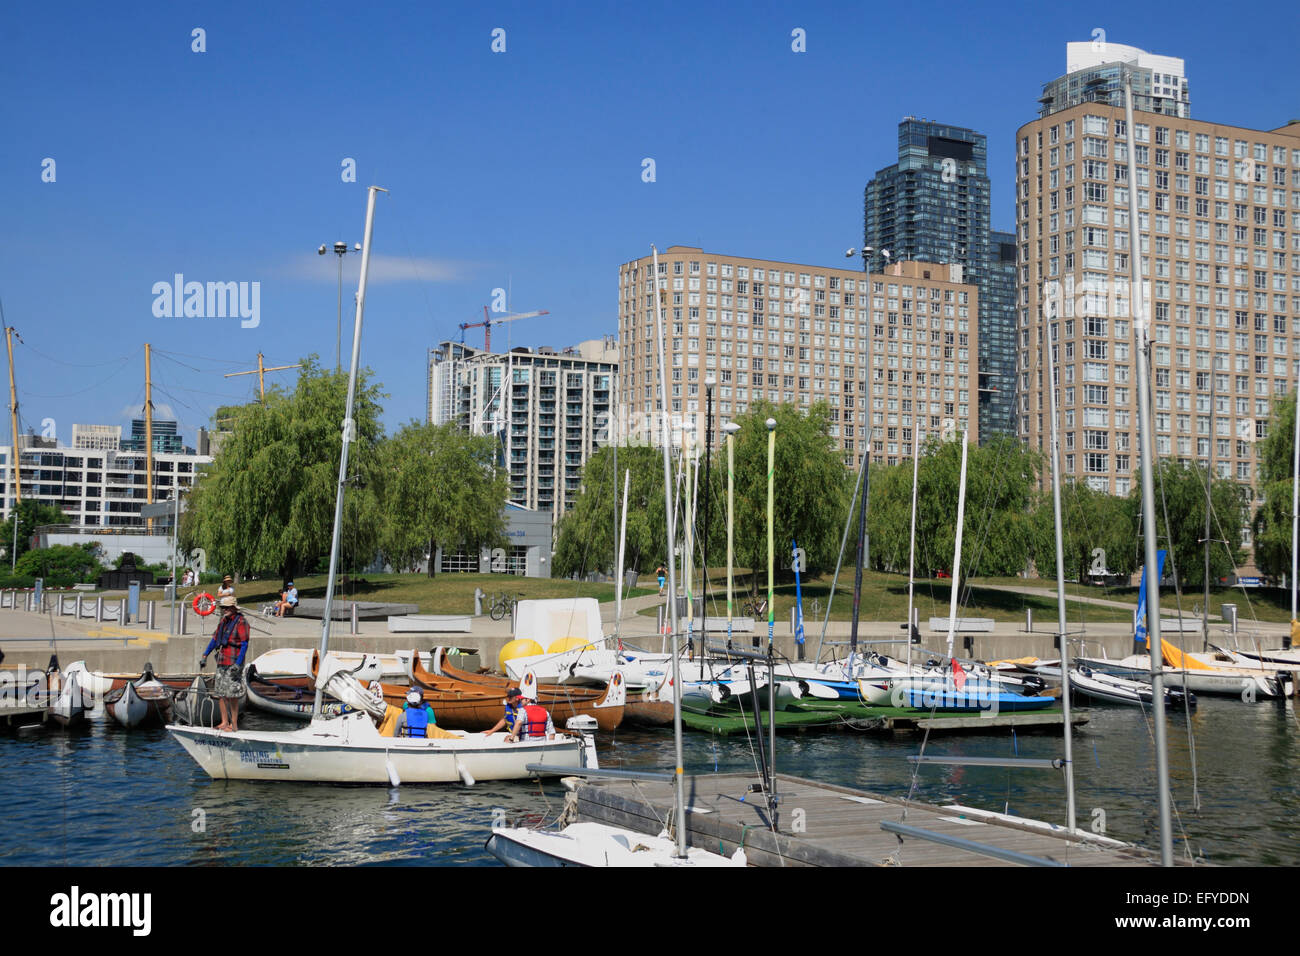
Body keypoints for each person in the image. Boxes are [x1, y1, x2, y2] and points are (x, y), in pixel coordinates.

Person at [200, 595, 250, 732]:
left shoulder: (241, 622)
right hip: (222, 660)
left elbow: (244, 644)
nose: (225, 609)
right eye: (223, 607)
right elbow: (215, 639)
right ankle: (224, 722)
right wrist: (205, 654)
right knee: (220, 692)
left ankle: (233, 725)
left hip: (233, 662)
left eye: (227, 607)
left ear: (234, 608)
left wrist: (238, 664)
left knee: (232, 694)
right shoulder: (223, 622)